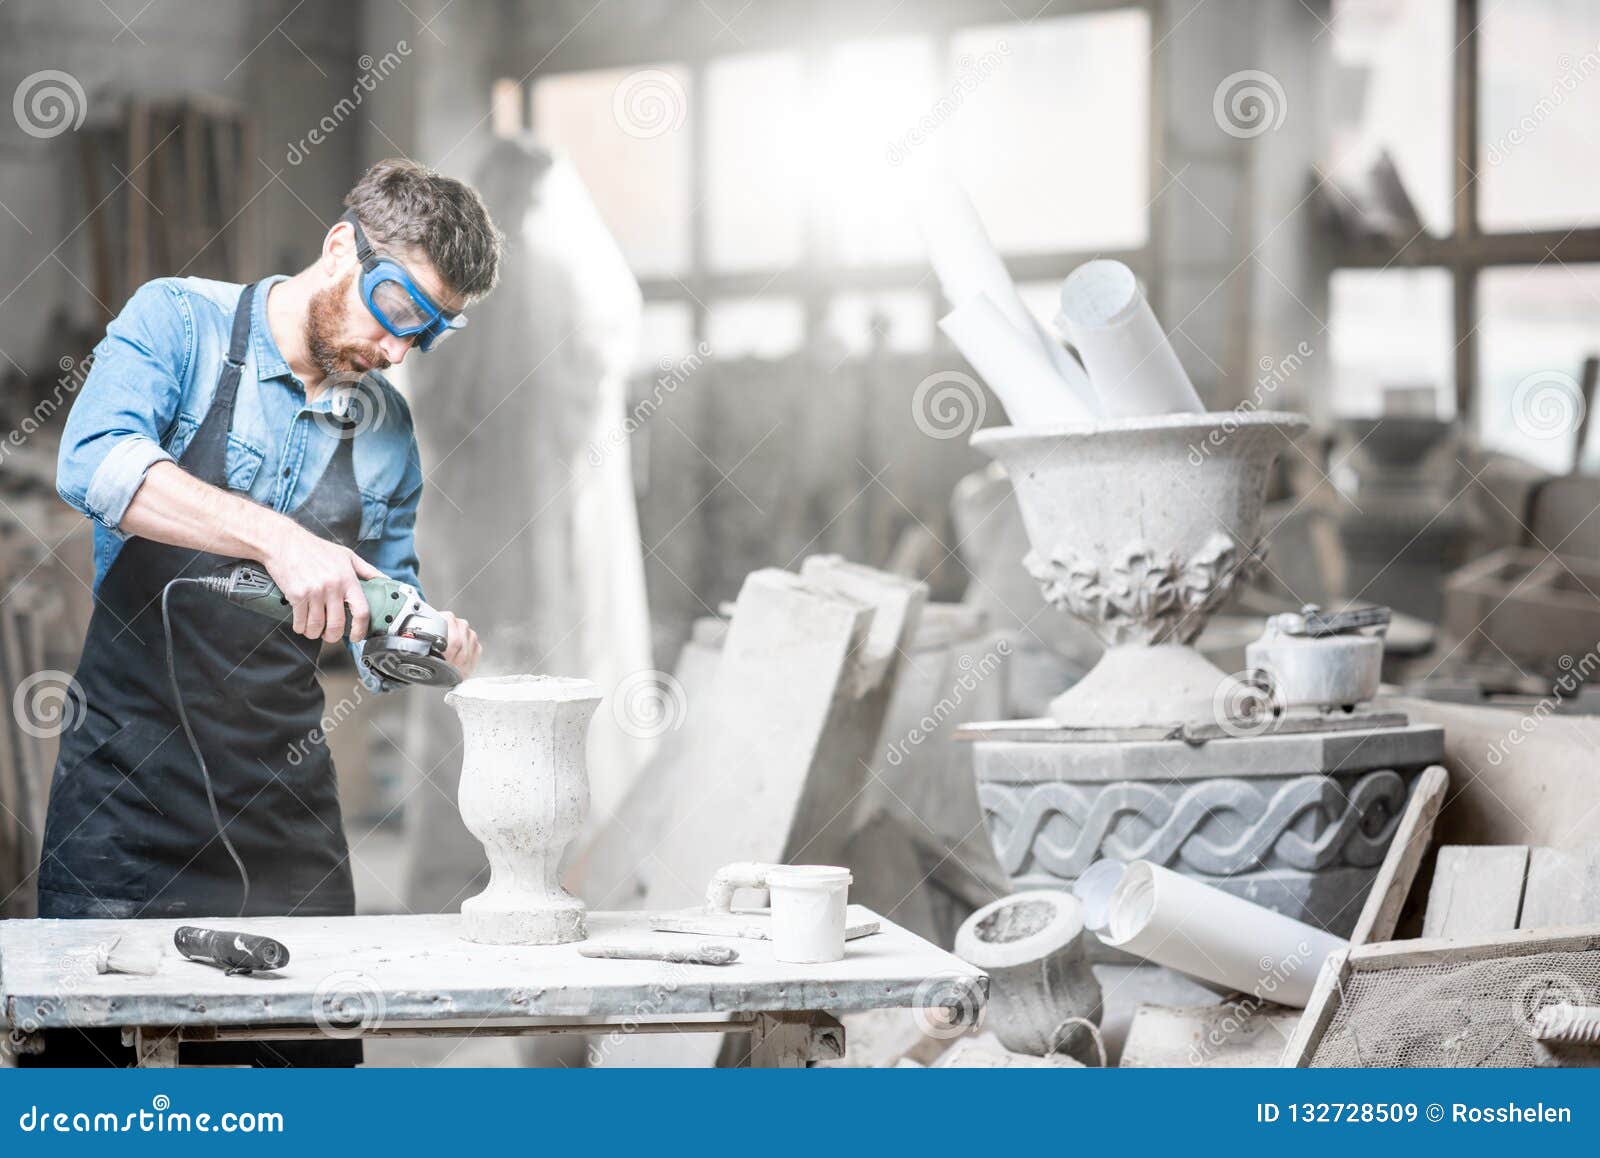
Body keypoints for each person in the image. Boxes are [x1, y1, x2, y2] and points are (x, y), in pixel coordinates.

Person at [27, 159, 500, 1066]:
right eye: (399, 310)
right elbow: (93, 462)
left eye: (429, 334)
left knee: (309, 1082)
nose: (398, 351)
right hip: (128, 796)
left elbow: (376, 625)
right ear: (340, 247)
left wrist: (423, 640)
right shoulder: (179, 321)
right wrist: (278, 540)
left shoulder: (388, 434)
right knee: (94, 1083)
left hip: (285, 810)